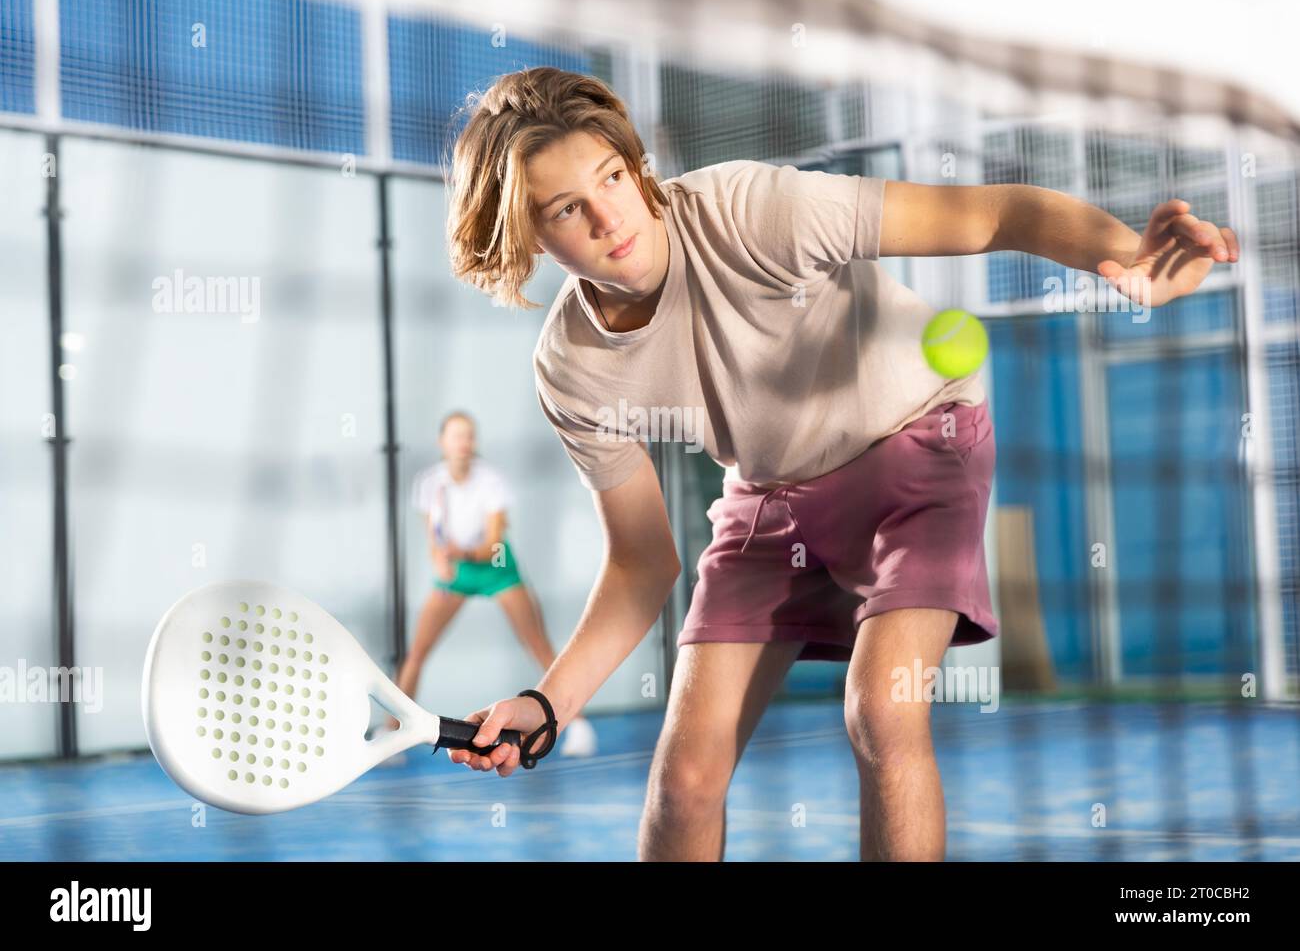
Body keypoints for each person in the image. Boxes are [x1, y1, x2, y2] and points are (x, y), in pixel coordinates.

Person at [439, 66, 1239, 860]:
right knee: (683, 783)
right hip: (769, 500)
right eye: (567, 208)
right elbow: (642, 563)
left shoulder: (752, 211)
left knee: (881, 712)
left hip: (922, 449)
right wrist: (549, 702)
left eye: (612, 175)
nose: (612, 216)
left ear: (633, 161)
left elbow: (994, 213)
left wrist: (1131, 257)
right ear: (530, 238)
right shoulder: (572, 369)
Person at [394, 409, 597, 757]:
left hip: (497, 567)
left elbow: (494, 543)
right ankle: (394, 736)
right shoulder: (430, 483)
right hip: (456, 573)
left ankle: (578, 726)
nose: (463, 443)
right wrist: (440, 560)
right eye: (456, 436)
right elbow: (433, 537)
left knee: (538, 644)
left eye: (468, 436)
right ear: (442, 442)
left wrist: (462, 552)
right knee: (416, 653)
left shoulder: (492, 481)